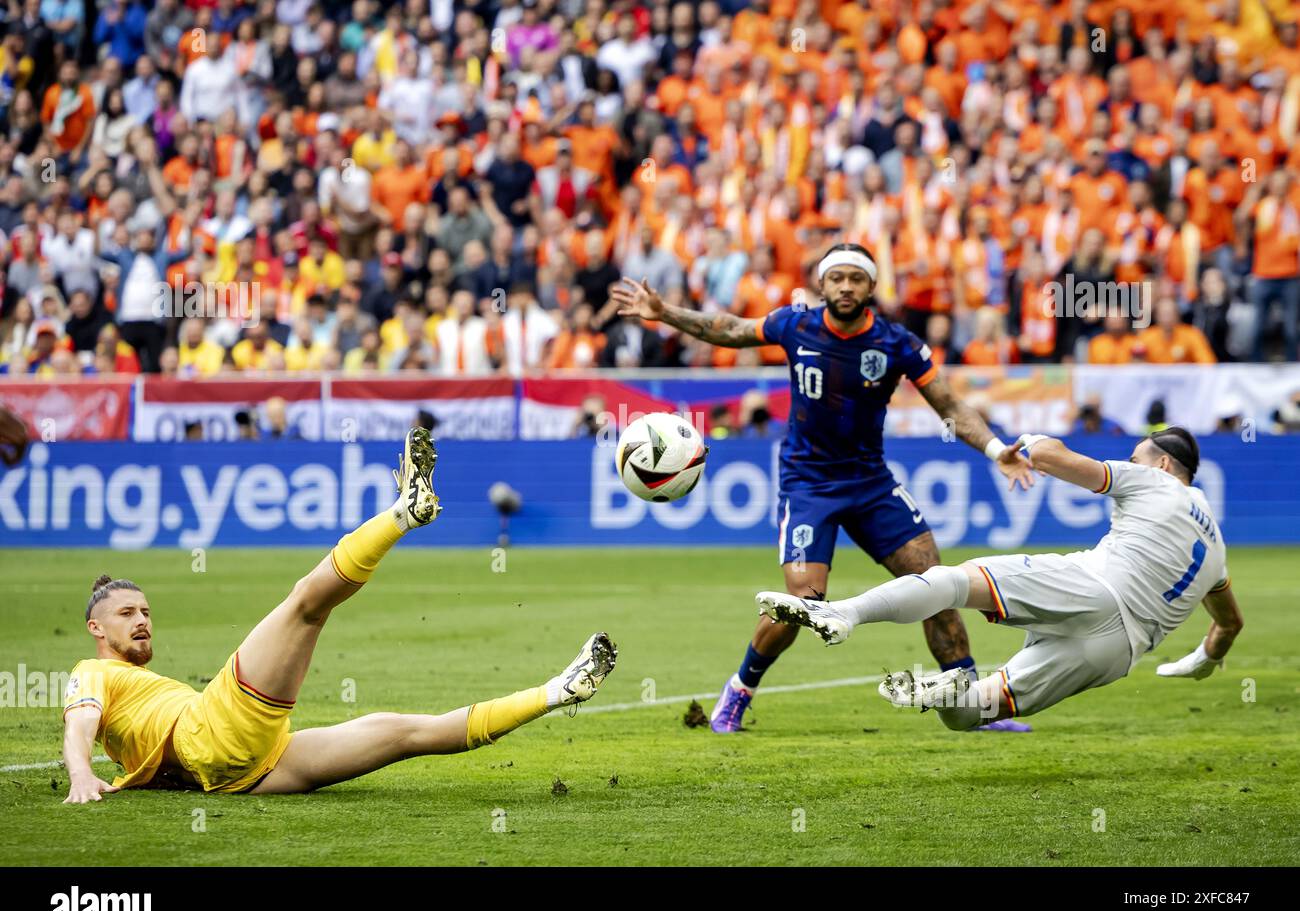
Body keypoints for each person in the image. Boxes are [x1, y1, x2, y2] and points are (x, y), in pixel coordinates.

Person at [611, 243, 1036, 734]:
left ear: (871, 286)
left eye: (857, 278)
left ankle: (973, 704)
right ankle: (738, 691)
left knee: (936, 585)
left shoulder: (896, 343)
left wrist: (993, 448)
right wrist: (666, 313)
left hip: (871, 483)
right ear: (822, 284)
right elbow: (729, 329)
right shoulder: (797, 325)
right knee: (804, 602)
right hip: (808, 484)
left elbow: (949, 405)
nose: (846, 287)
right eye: (838, 278)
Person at [62, 428, 617, 802]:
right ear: (96, 629)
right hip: (213, 733)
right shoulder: (95, 674)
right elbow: (79, 722)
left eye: (146, 611)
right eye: (127, 613)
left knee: (406, 735)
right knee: (306, 603)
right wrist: (81, 772)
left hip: (254, 771)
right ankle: (403, 513)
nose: (142, 621)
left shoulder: (136, 690)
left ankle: (556, 692)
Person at [755, 428, 1241, 728]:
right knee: (972, 714)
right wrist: (1198, 662)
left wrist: (1029, 440)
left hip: (1093, 588)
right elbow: (1227, 625)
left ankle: (842, 613)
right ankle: (950, 691)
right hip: (1117, 653)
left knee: (953, 581)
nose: (1131, 463)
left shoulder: (1154, 479)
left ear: (1161, 463)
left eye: (1136, 457)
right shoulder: (1216, 549)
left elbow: (1053, 461)